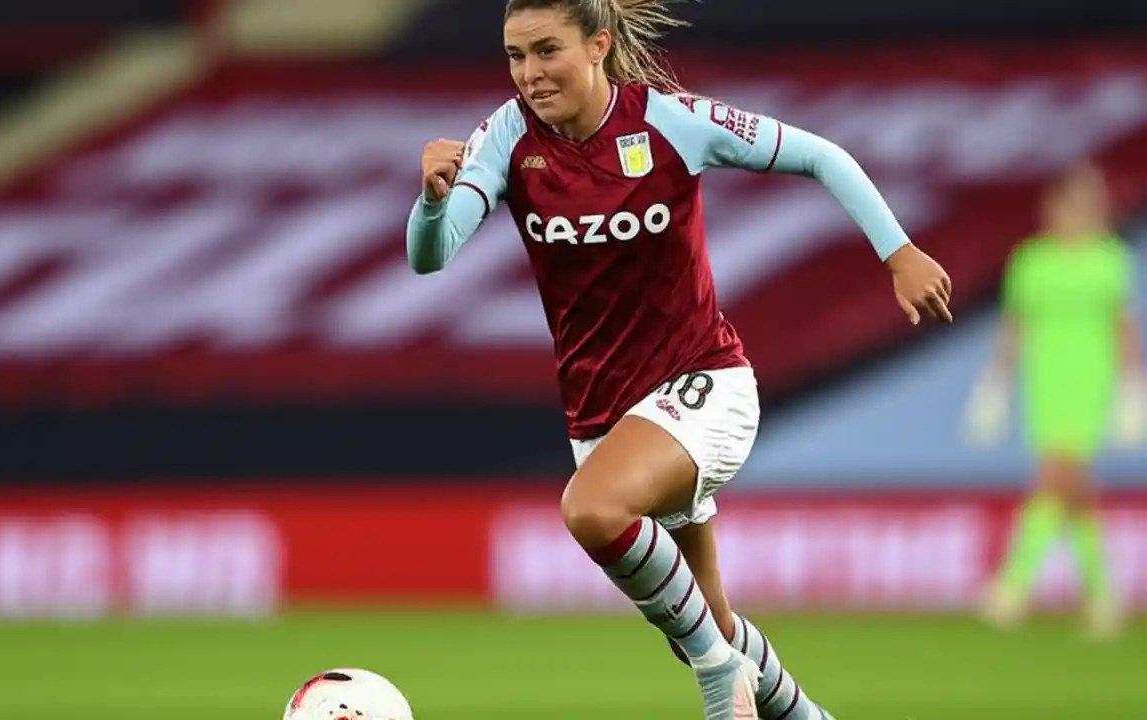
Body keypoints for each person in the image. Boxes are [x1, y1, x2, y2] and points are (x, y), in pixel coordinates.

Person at [406, 1, 952, 717]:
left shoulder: (670, 121)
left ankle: (716, 671)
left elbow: (821, 154)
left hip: (705, 384)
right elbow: (431, 256)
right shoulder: (508, 137)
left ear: (598, 45)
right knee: (707, 619)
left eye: (547, 51)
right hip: (602, 416)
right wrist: (432, 200)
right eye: (515, 56)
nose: (530, 75)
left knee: (595, 513)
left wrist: (899, 252)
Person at [965, 160, 1144, 639]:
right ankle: (1102, 595)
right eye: (1075, 203)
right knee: (1074, 488)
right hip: (1044, 380)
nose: (1083, 213)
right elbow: (1015, 327)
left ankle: (1014, 586)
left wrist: (1132, 387)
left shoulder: (1110, 258)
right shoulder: (1033, 260)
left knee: (1058, 475)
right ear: (1055, 206)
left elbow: (1123, 326)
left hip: (1091, 380)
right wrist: (995, 387)